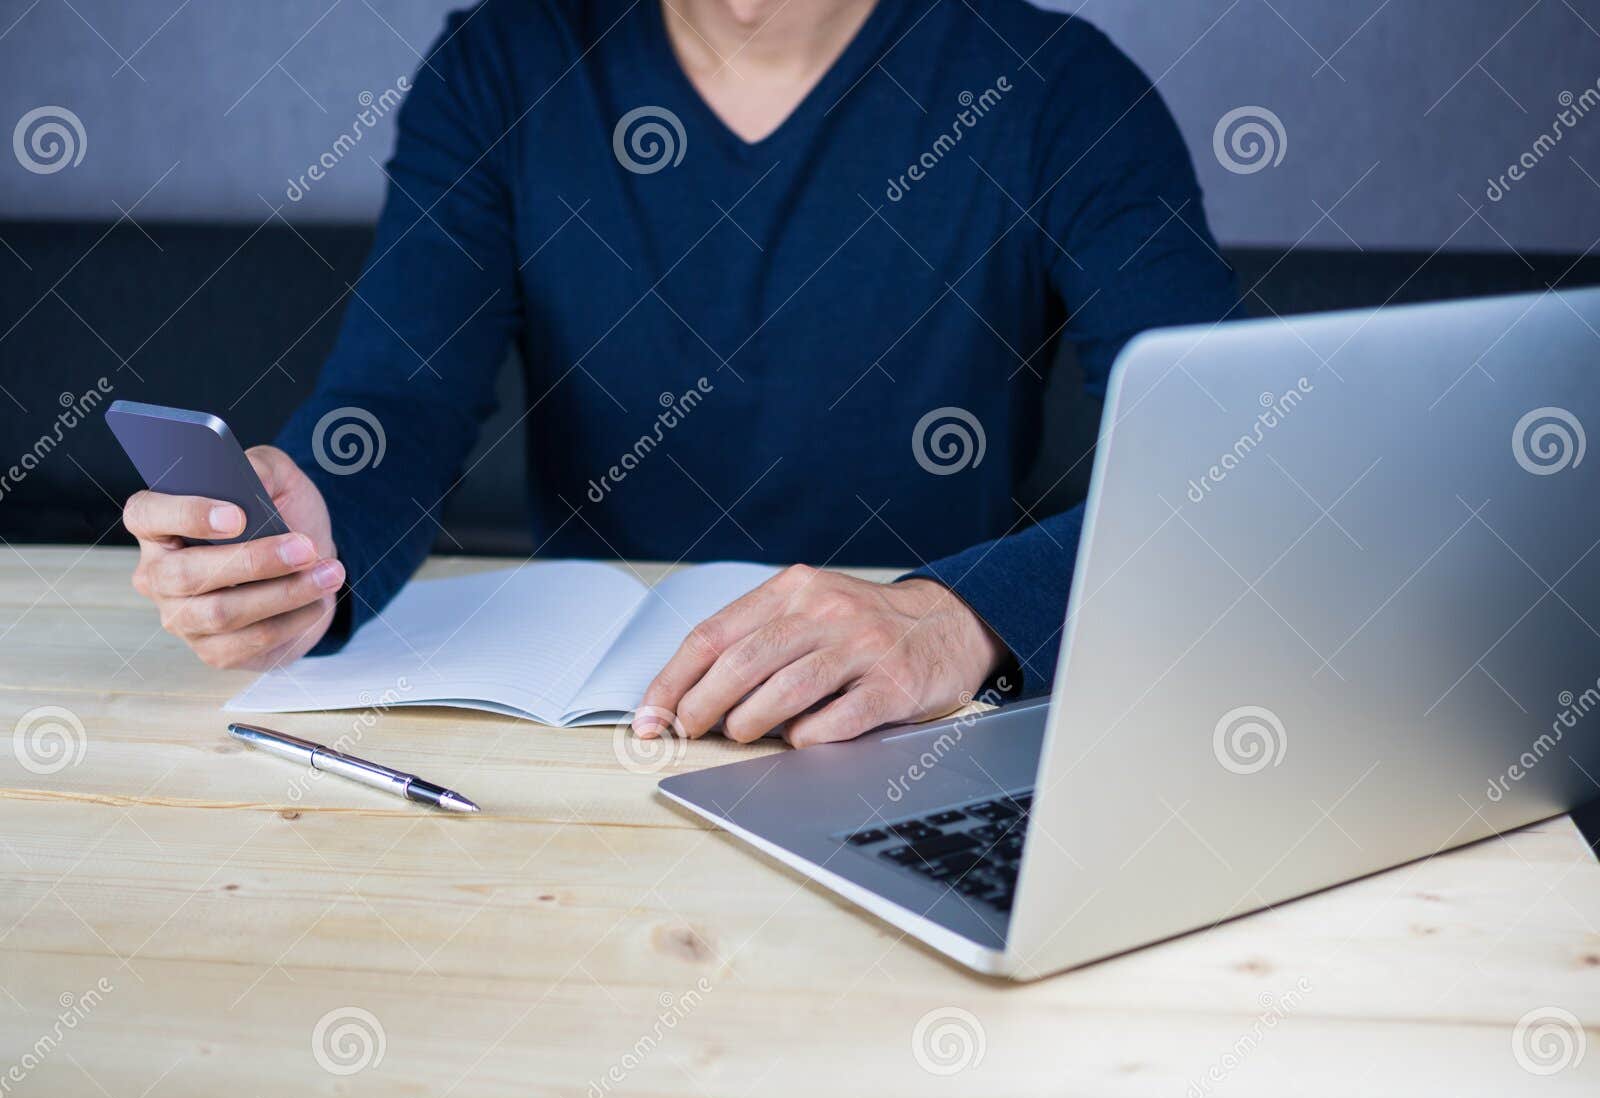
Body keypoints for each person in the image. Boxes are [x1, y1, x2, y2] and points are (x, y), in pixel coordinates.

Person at [121, 0, 1238, 747]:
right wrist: (305, 545)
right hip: (594, 741)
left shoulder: (1056, 88)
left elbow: (1227, 467)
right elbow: (394, 405)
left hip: (914, 726)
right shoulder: (503, 62)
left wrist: (955, 620)